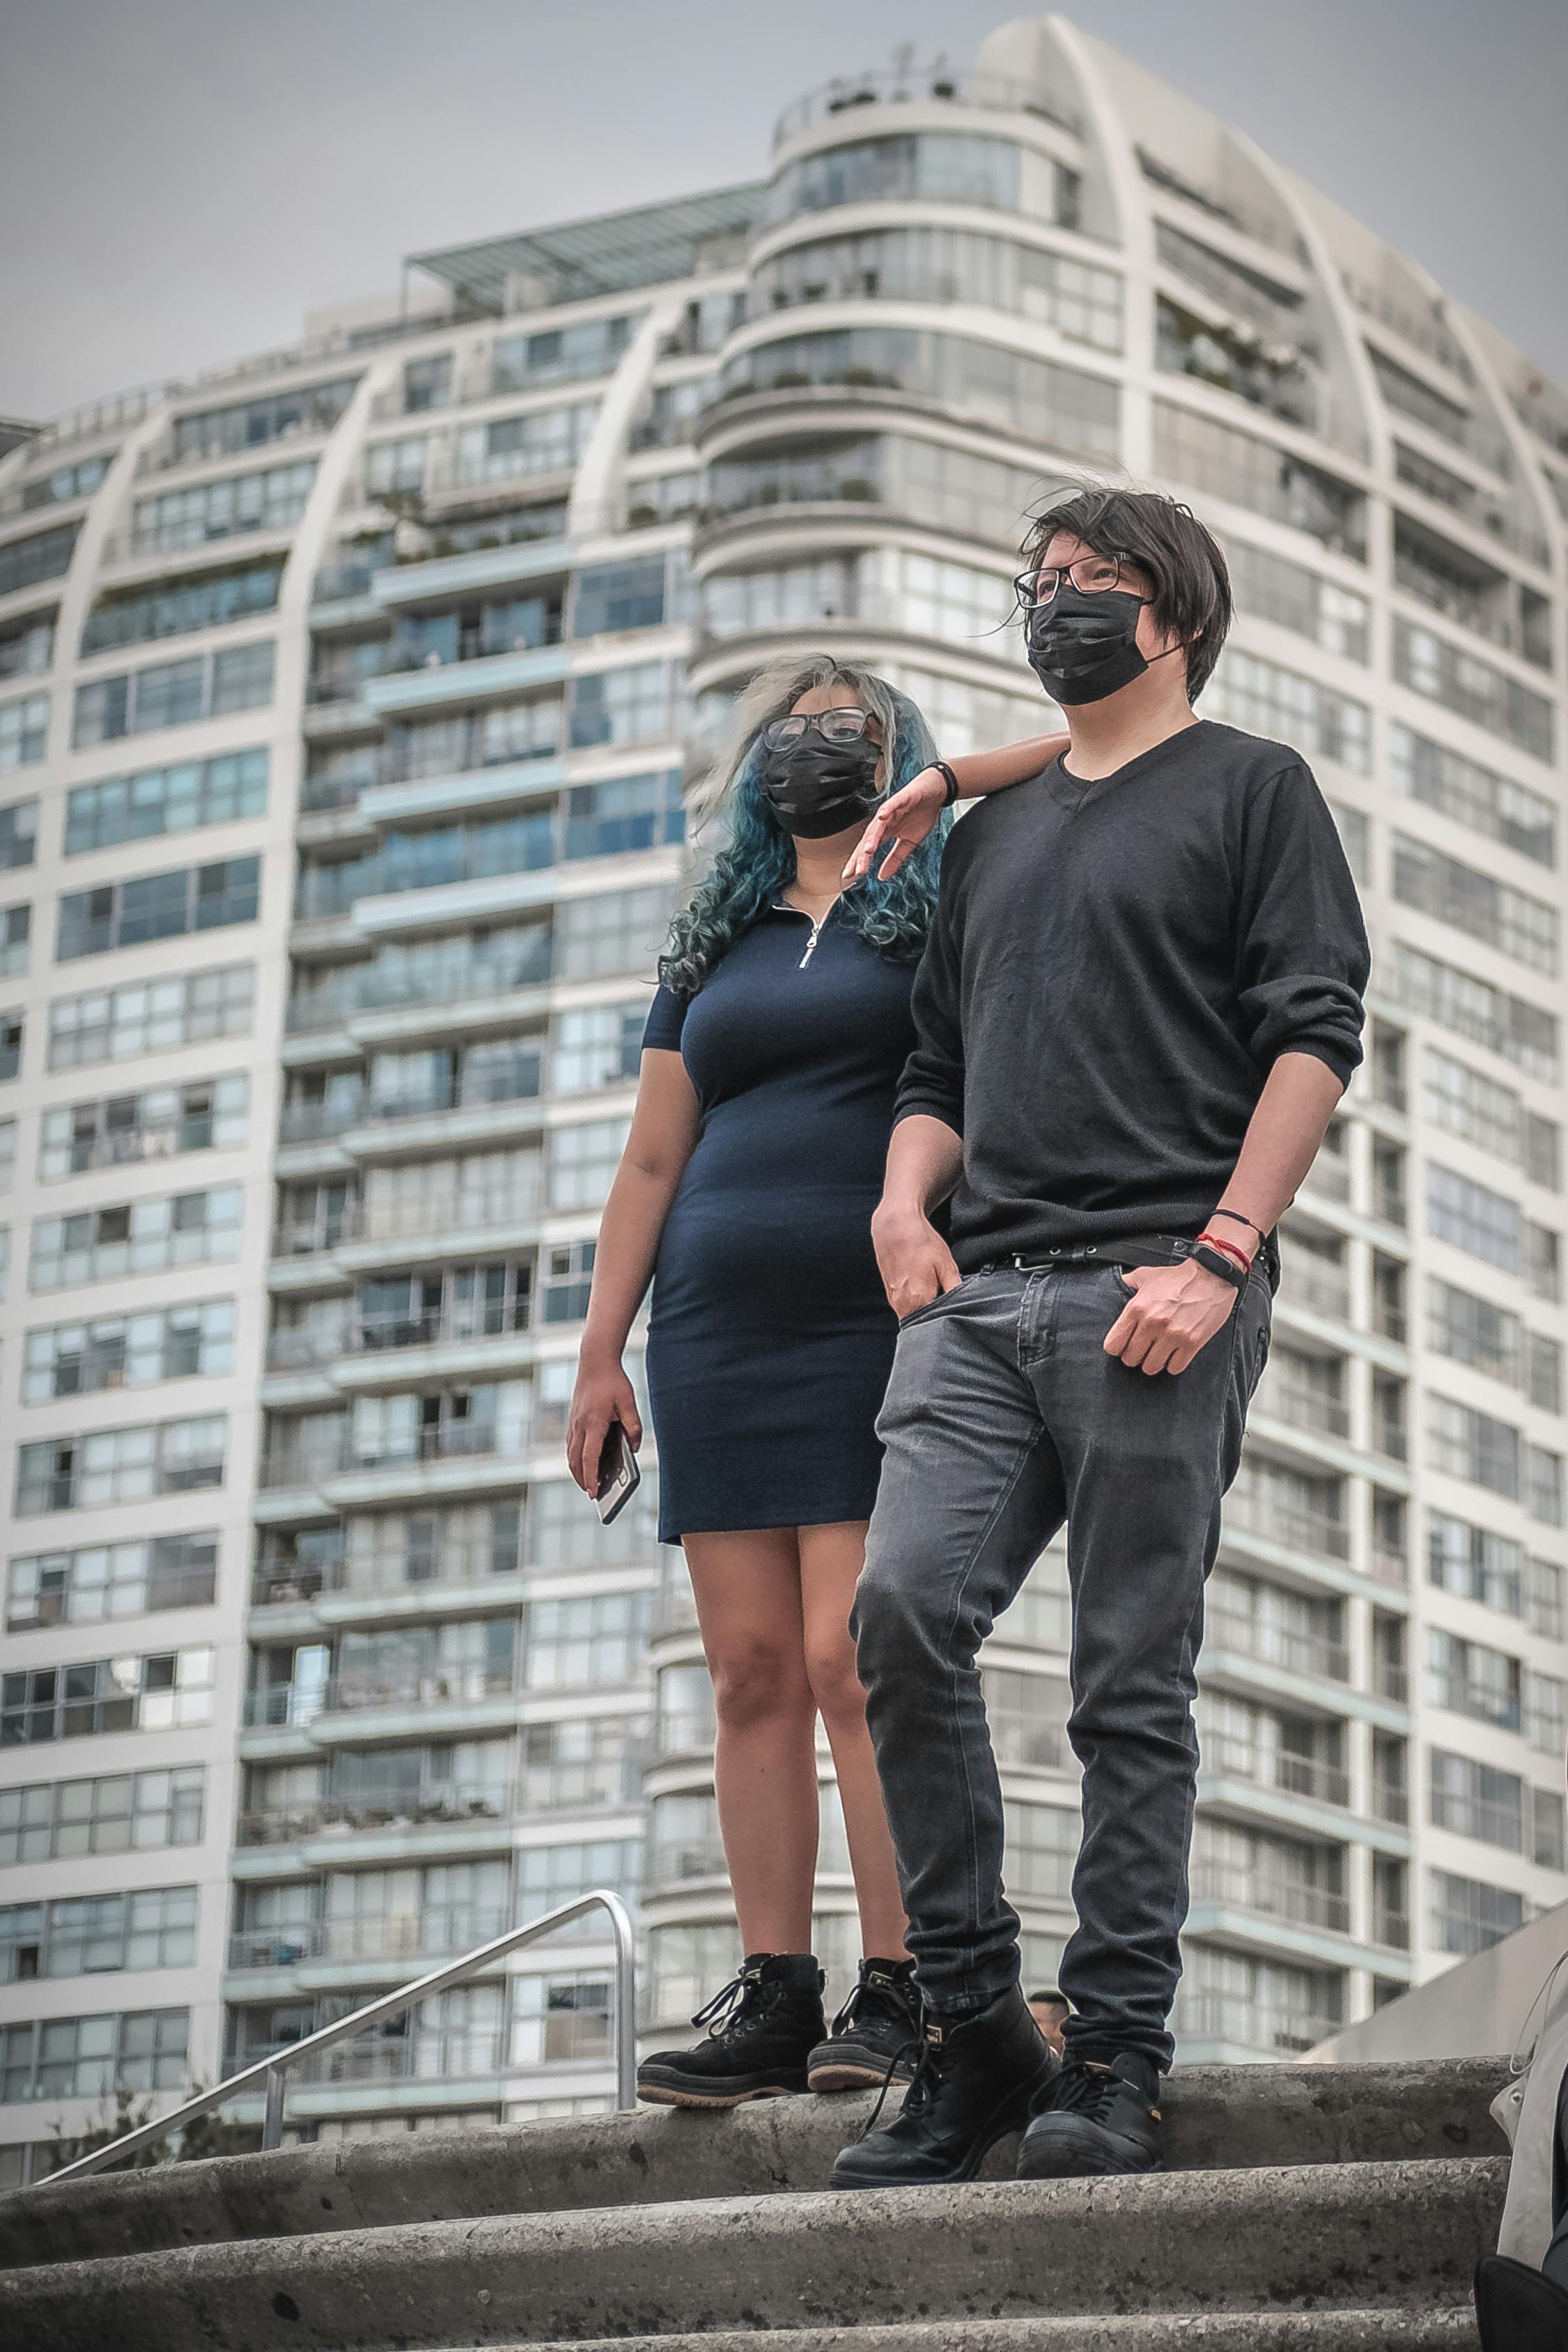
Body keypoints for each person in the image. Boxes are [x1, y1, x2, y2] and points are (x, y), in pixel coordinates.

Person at [832, 484, 1370, 2190]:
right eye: (1037, 579)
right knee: (902, 1619)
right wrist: (900, 1207)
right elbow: (934, 1074)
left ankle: (1115, 2053)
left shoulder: (1251, 791)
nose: (1051, 601)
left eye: (1089, 581)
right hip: (977, 1300)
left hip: (1162, 1288)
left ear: (1173, 609)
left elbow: (1312, 1036)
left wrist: (1220, 1253)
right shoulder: (986, 835)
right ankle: (978, 2030)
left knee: (1126, 1683)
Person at [565, 655, 1065, 2108]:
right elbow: (651, 1157)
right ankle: (776, 1992)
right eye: (790, 732)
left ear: (892, 748)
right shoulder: (707, 943)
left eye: (846, 729)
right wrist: (601, 1348)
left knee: (859, 1664)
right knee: (750, 1674)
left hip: (881, 1318)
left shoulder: (941, 912)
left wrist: (951, 781)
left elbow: (1096, 751)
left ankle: (903, 1984)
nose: (813, 752)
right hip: (713, 1328)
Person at [1026, 1989, 1071, 2057]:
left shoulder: (1081, 2064)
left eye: (1036, 2021)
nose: (1028, 2026)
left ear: (1061, 2027)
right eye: (1027, 2020)